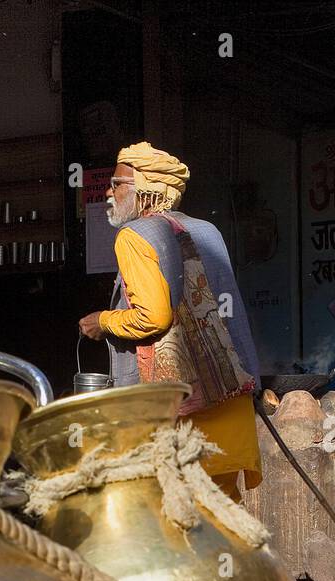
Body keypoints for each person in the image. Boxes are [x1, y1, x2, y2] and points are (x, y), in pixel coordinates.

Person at [77, 142, 261, 500]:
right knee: (220, 514)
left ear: (146, 190)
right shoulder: (208, 231)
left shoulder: (133, 236)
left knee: (172, 520)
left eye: (117, 184)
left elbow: (153, 317)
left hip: (179, 410)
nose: (107, 192)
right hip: (227, 397)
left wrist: (103, 320)